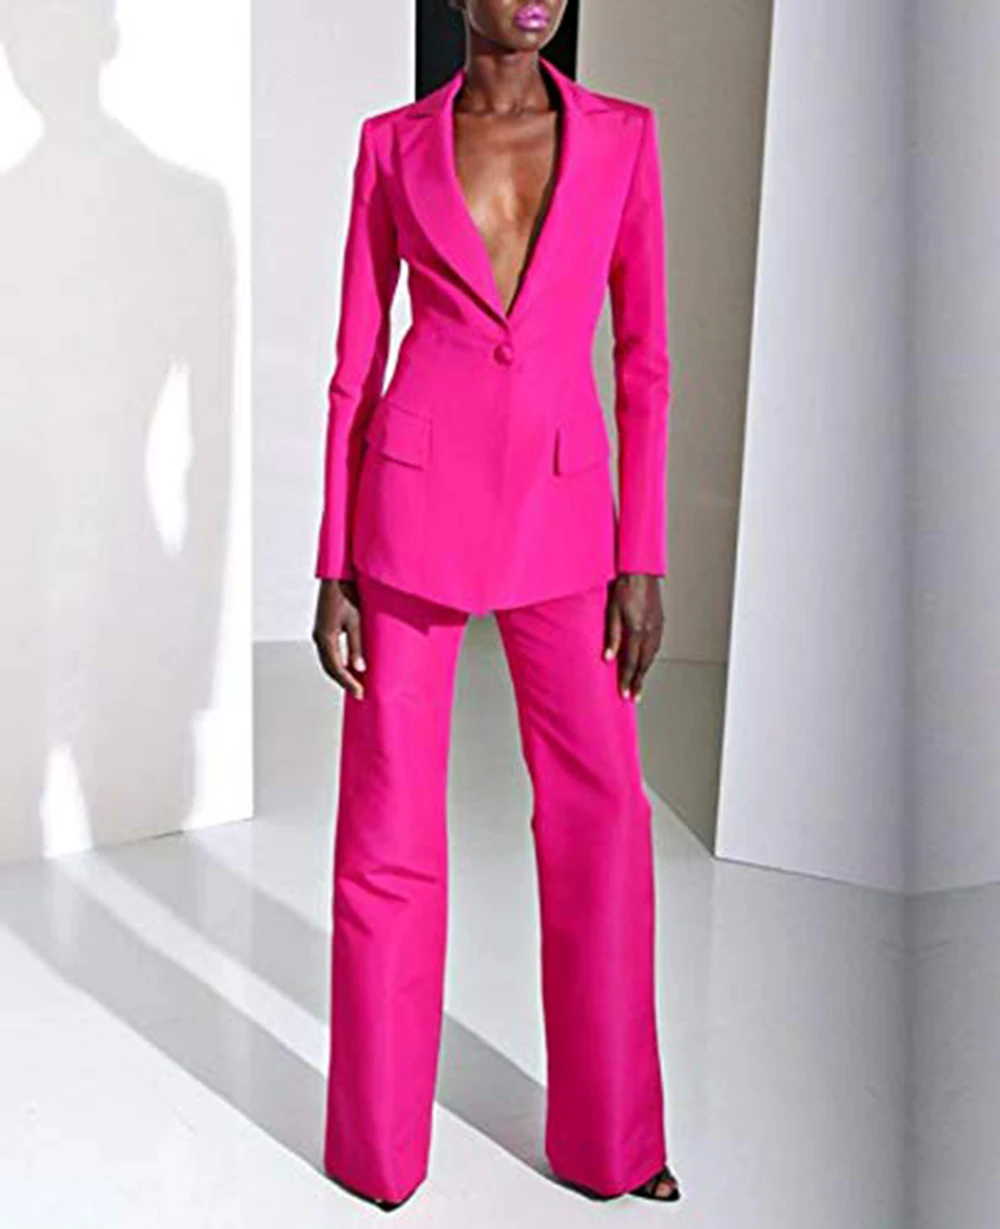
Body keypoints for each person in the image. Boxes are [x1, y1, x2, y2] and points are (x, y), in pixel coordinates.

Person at [312, 0, 680, 1210]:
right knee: (387, 834)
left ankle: (614, 1140)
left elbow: (643, 359)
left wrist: (642, 553)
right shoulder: (391, 144)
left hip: (569, 520)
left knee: (602, 821)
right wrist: (333, 561)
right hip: (409, 513)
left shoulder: (623, 137)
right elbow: (354, 362)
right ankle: (376, 1150)